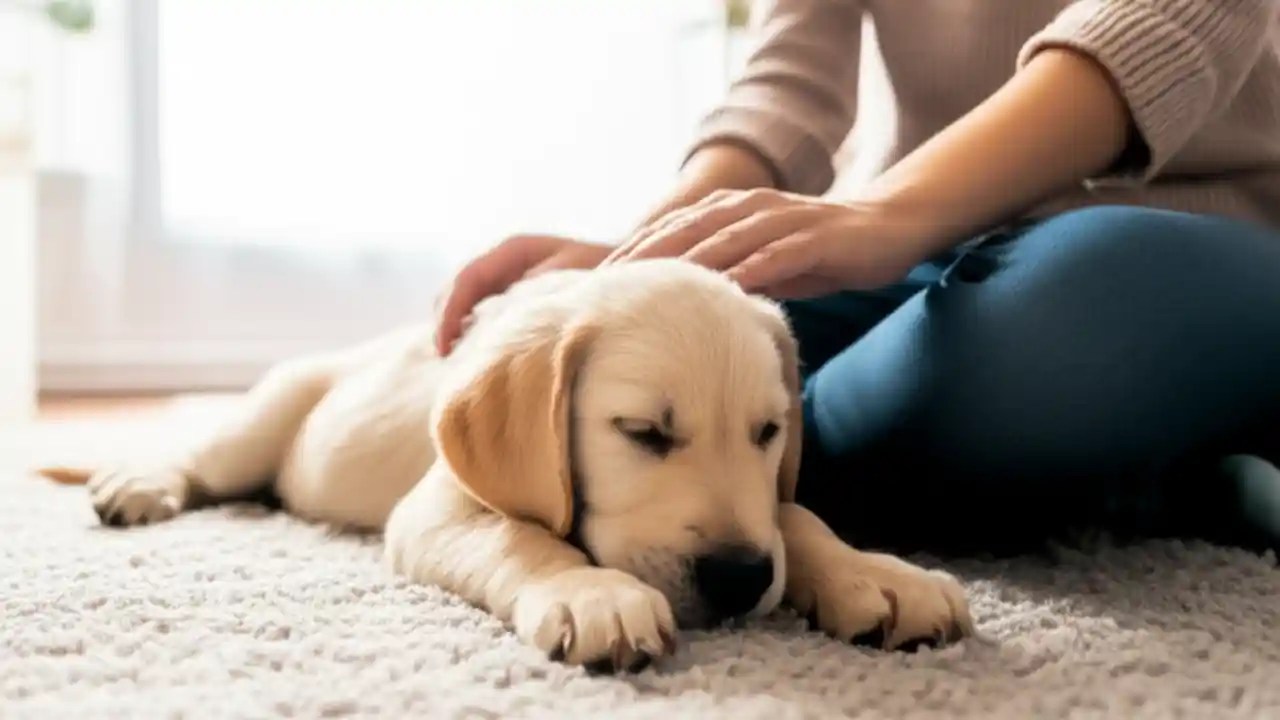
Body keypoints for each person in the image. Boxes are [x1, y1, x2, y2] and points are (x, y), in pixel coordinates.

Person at [435, 1, 1280, 556]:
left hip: (1178, 240)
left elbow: (1170, 27)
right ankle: (1145, 466)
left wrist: (889, 215)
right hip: (899, 241)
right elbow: (788, 82)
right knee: (663, 367)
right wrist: (655, 254)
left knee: (1064, 319)